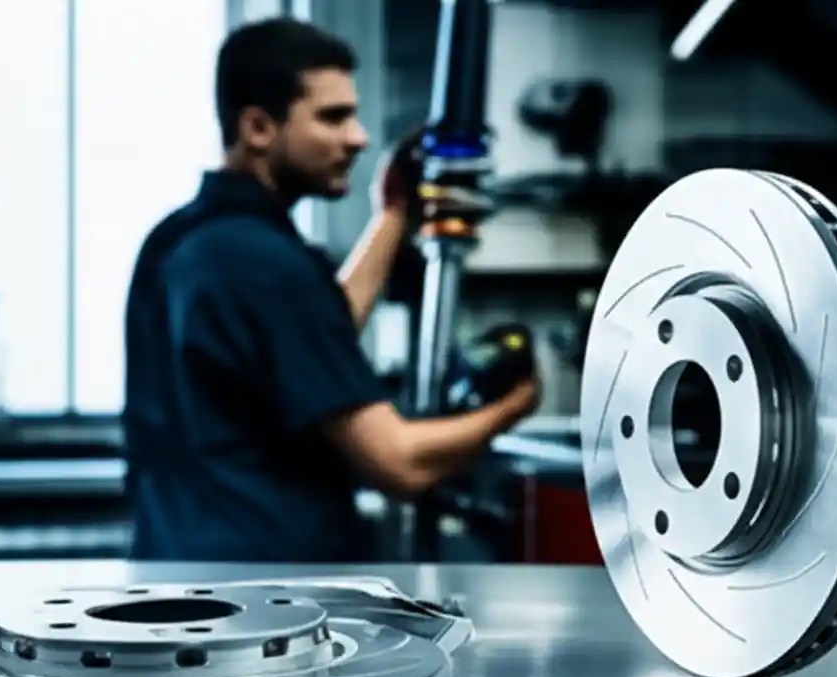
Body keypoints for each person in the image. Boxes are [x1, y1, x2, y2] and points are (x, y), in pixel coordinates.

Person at [121, 17, 539, 563]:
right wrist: (512, 407)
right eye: (333, 117)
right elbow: (399, 464)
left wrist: (392, 216)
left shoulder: (179, 241)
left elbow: (308, 340)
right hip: (266, 594)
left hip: (174, 577)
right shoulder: (268, 264)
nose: (358, 137)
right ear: (258, 129)